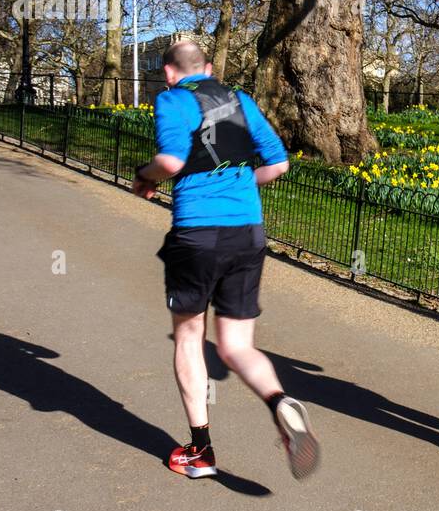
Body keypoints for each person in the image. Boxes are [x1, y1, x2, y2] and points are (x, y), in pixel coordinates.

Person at [131, 39, 319, 481]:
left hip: (198, 233)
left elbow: (171, 160)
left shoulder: (172, 99)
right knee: (236, 346)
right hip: (247, 233)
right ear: (210, 68)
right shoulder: (239, 99)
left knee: (189, 336)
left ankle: (201, 451)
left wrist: (144, 176)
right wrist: (238, 183)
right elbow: (278, 165)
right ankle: (279, 401)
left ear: (170, 73)